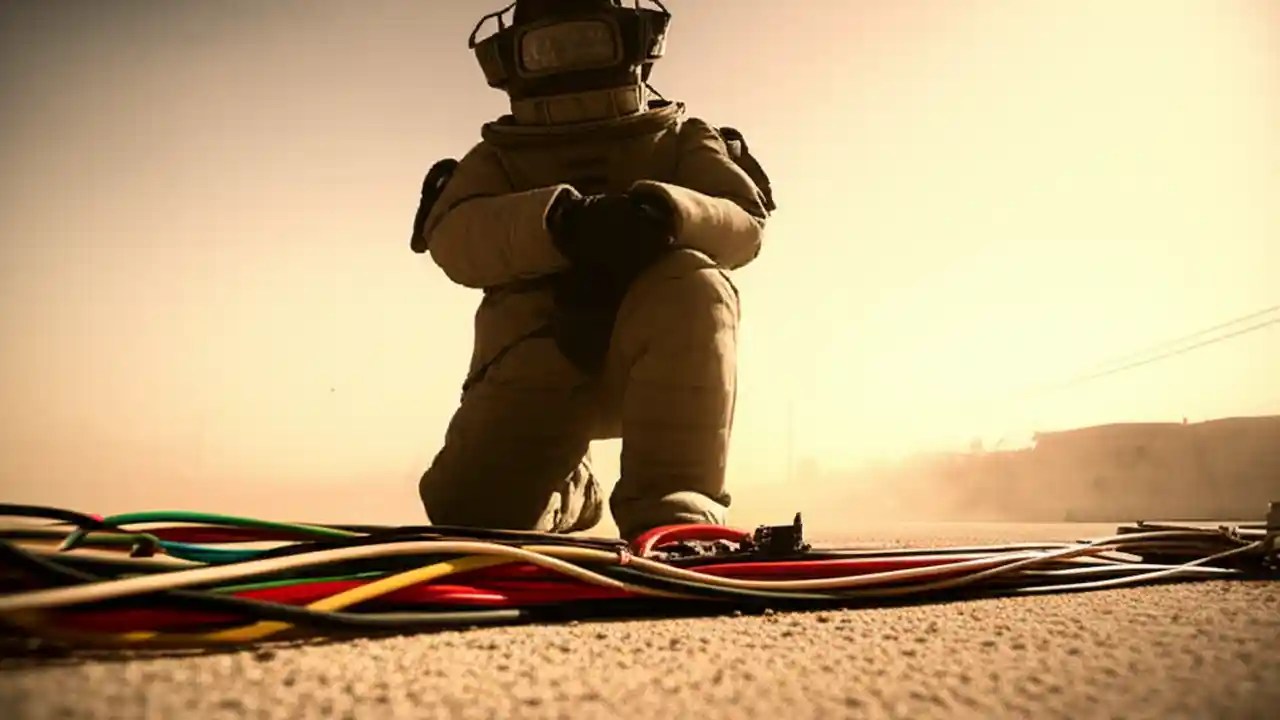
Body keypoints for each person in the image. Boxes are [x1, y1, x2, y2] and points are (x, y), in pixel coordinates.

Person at [409, 0, 776, 541]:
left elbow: (745, 222)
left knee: (697, 284)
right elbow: (455, 240)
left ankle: (675, 517)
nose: (567, 56)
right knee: (471, 514)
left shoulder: (683, 139)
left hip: (667, 362)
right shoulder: (496, 159)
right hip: (537, 352)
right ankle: (570, 492)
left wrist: (669, 214)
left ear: (633, 40)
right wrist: (558, 222)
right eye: (548, 46)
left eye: (586, 38)